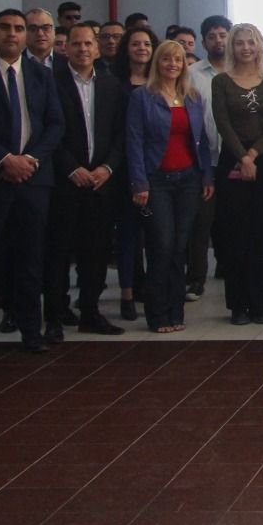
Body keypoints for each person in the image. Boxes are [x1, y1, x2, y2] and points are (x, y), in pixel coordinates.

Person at [0, 8, 64, 357]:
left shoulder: (40, 74)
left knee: (31, 259)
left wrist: (29, 160)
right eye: (5, 28)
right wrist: (5, 160)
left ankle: (31, 332)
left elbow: (54, 124)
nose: (13, 34)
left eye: (19, 29)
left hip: (33, 180)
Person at [126, 39, 213, 333]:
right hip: (156, 181)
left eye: (178, 60)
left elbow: (200, 141)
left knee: (179, 247)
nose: (172, 64)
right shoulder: (142, 97)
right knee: (161, 245)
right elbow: (134, 142)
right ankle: (157, 313)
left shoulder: (192, 96)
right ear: (157, 63)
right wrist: (139, 182)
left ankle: (176, 312)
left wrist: (206, 177)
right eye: (167, 59)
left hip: (188, 180)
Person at [46, 23, 126, 340]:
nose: (82, 49)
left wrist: (108, 167)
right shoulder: (52, 83)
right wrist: (70, 167)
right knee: (59, 251)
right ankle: (54, 316)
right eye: (76, 44)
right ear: (65, 48)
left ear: (96, 48)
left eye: (87, 44)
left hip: (101, 181)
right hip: (66, 181)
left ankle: (91, 313)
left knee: (96, 251)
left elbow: (121, 134)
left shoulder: (111, 85)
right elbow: (47, 130)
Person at [212, 23, 263, 326]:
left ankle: (261, 304)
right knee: (235, 234)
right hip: (232, 161)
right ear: (232, 47)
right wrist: (242, 156)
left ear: (259, 46)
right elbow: (223, 122)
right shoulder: (221, 82)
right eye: (239, 43)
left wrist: (254, 155)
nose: (245, 48)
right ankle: (238, 304)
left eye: (250, 43)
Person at [109, 23, 157, 320]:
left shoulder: (161, 82)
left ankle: (150, 288)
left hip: (157, 167)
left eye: (147, 45)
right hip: (123, 166)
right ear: (126, 48)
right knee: (128, 234)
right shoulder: (114, 83)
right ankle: (127, 293)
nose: (141, 49)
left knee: (155, 235)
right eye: (136, 44)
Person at [185, 14, 230, 302]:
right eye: (212, 36)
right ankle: (196, 279)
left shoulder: (241, 71)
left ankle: (229, 270)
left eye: (223, 34)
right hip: (202, 159)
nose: (218, 40)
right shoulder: (192, 75)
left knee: (232, 219)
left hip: (235, 157)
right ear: (203, 42)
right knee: (201, 222)